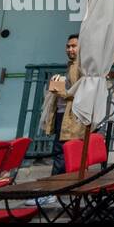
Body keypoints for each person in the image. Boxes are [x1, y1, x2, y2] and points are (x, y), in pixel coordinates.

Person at [41, 34, 85, 174]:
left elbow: (76, 92)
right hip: (65, 114)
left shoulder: (79, 66)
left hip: (69, 117)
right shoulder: (74, 65)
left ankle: (53, 191)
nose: (70, 49)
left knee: (61, 153)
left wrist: (57, 88)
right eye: (68, 46)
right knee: (65, 153)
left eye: (73, 46)